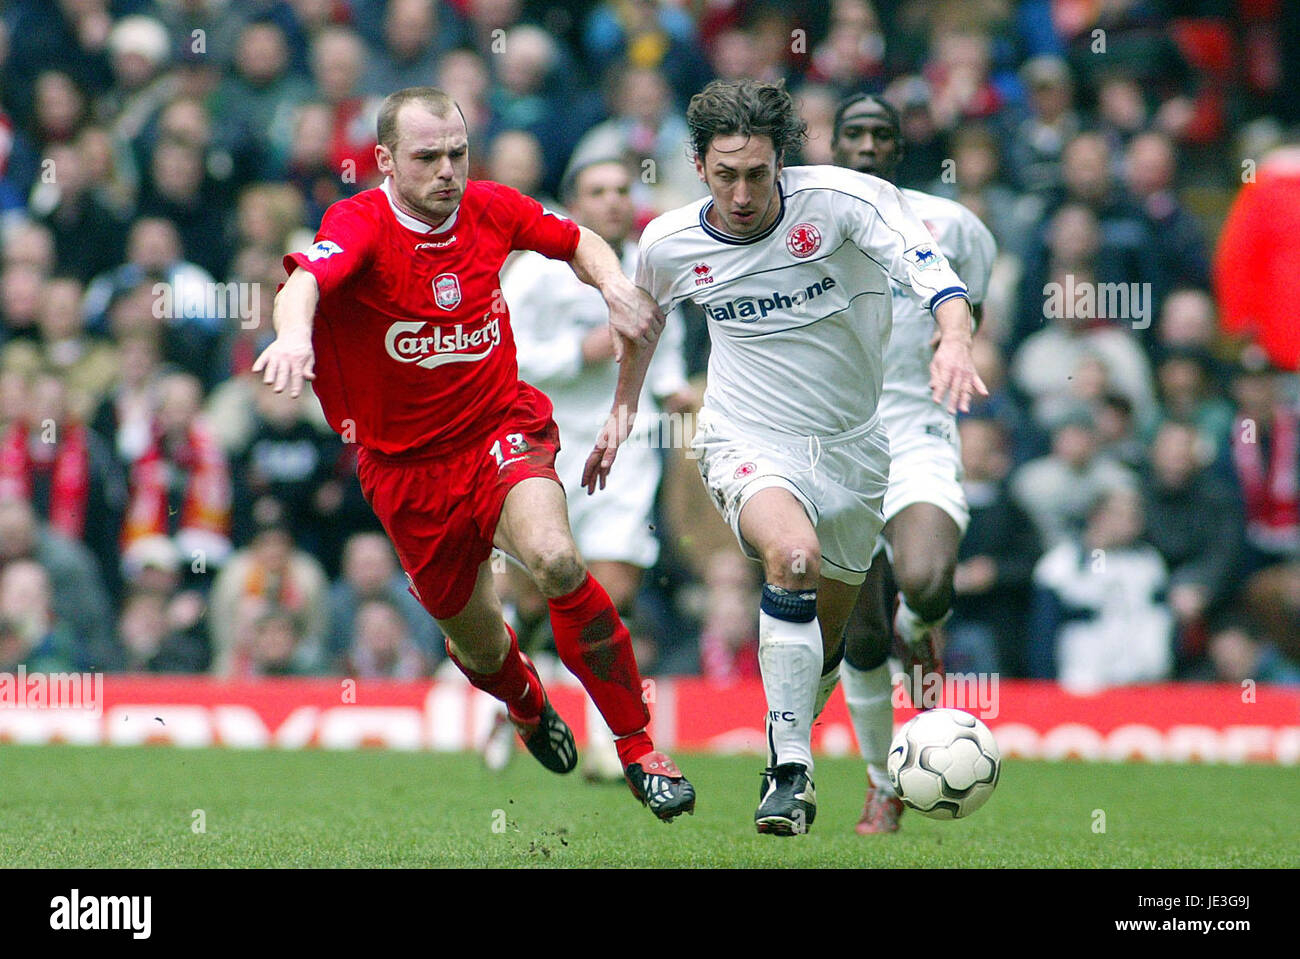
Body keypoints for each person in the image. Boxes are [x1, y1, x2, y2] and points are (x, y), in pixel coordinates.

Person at [253, 86, 694, 821]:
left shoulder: (491, 206)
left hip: (498, 429)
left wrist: (616, 286)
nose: (448, 171)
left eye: (458, 153)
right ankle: (525, 703)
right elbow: (305, 280)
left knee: (556, 558)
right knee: (483, 648)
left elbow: (577, 237)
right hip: (405, 472)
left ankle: (637, 747)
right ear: (386, 160)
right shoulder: (359, 223)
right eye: (428, 157)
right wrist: (294, 336)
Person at [587, 79, 984, 835]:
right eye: (726, 173)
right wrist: (623, 410)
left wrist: (956, 337)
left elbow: (934, 270)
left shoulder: (843, 202)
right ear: (700, 164)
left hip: (857, 450)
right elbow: (641, 325)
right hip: (746, 436)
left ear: (782, 165)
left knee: (829, 646)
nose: (742, 193)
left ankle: (794, 738)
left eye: (758, 174)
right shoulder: (668, 242)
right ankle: (792, 771)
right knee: (791, 557)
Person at [828, 92, 997, 835]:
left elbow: (972, 310)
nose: (867, 146)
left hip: (917, 425)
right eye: (854, 134)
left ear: (900, 146)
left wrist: (954, 347)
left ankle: (921, 620)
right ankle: (881, 782)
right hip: (833, 441)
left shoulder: (952, 224)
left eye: (881, 135)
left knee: (925, 577)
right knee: (861, 639)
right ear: (834, 145)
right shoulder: (800, 224)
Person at [495, 155, 693, 782]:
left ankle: (615, 740)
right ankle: (515, 709)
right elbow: (505, 358)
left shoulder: (650, 271)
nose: (611, 201)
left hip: (622, 449)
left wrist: (675, 395)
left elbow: (662, 361)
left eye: (620, 190)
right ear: (572, 203)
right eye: (597, 191)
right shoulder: (535, 274)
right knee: (539, 597)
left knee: (614, 592)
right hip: (542, 447)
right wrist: (577, 353)